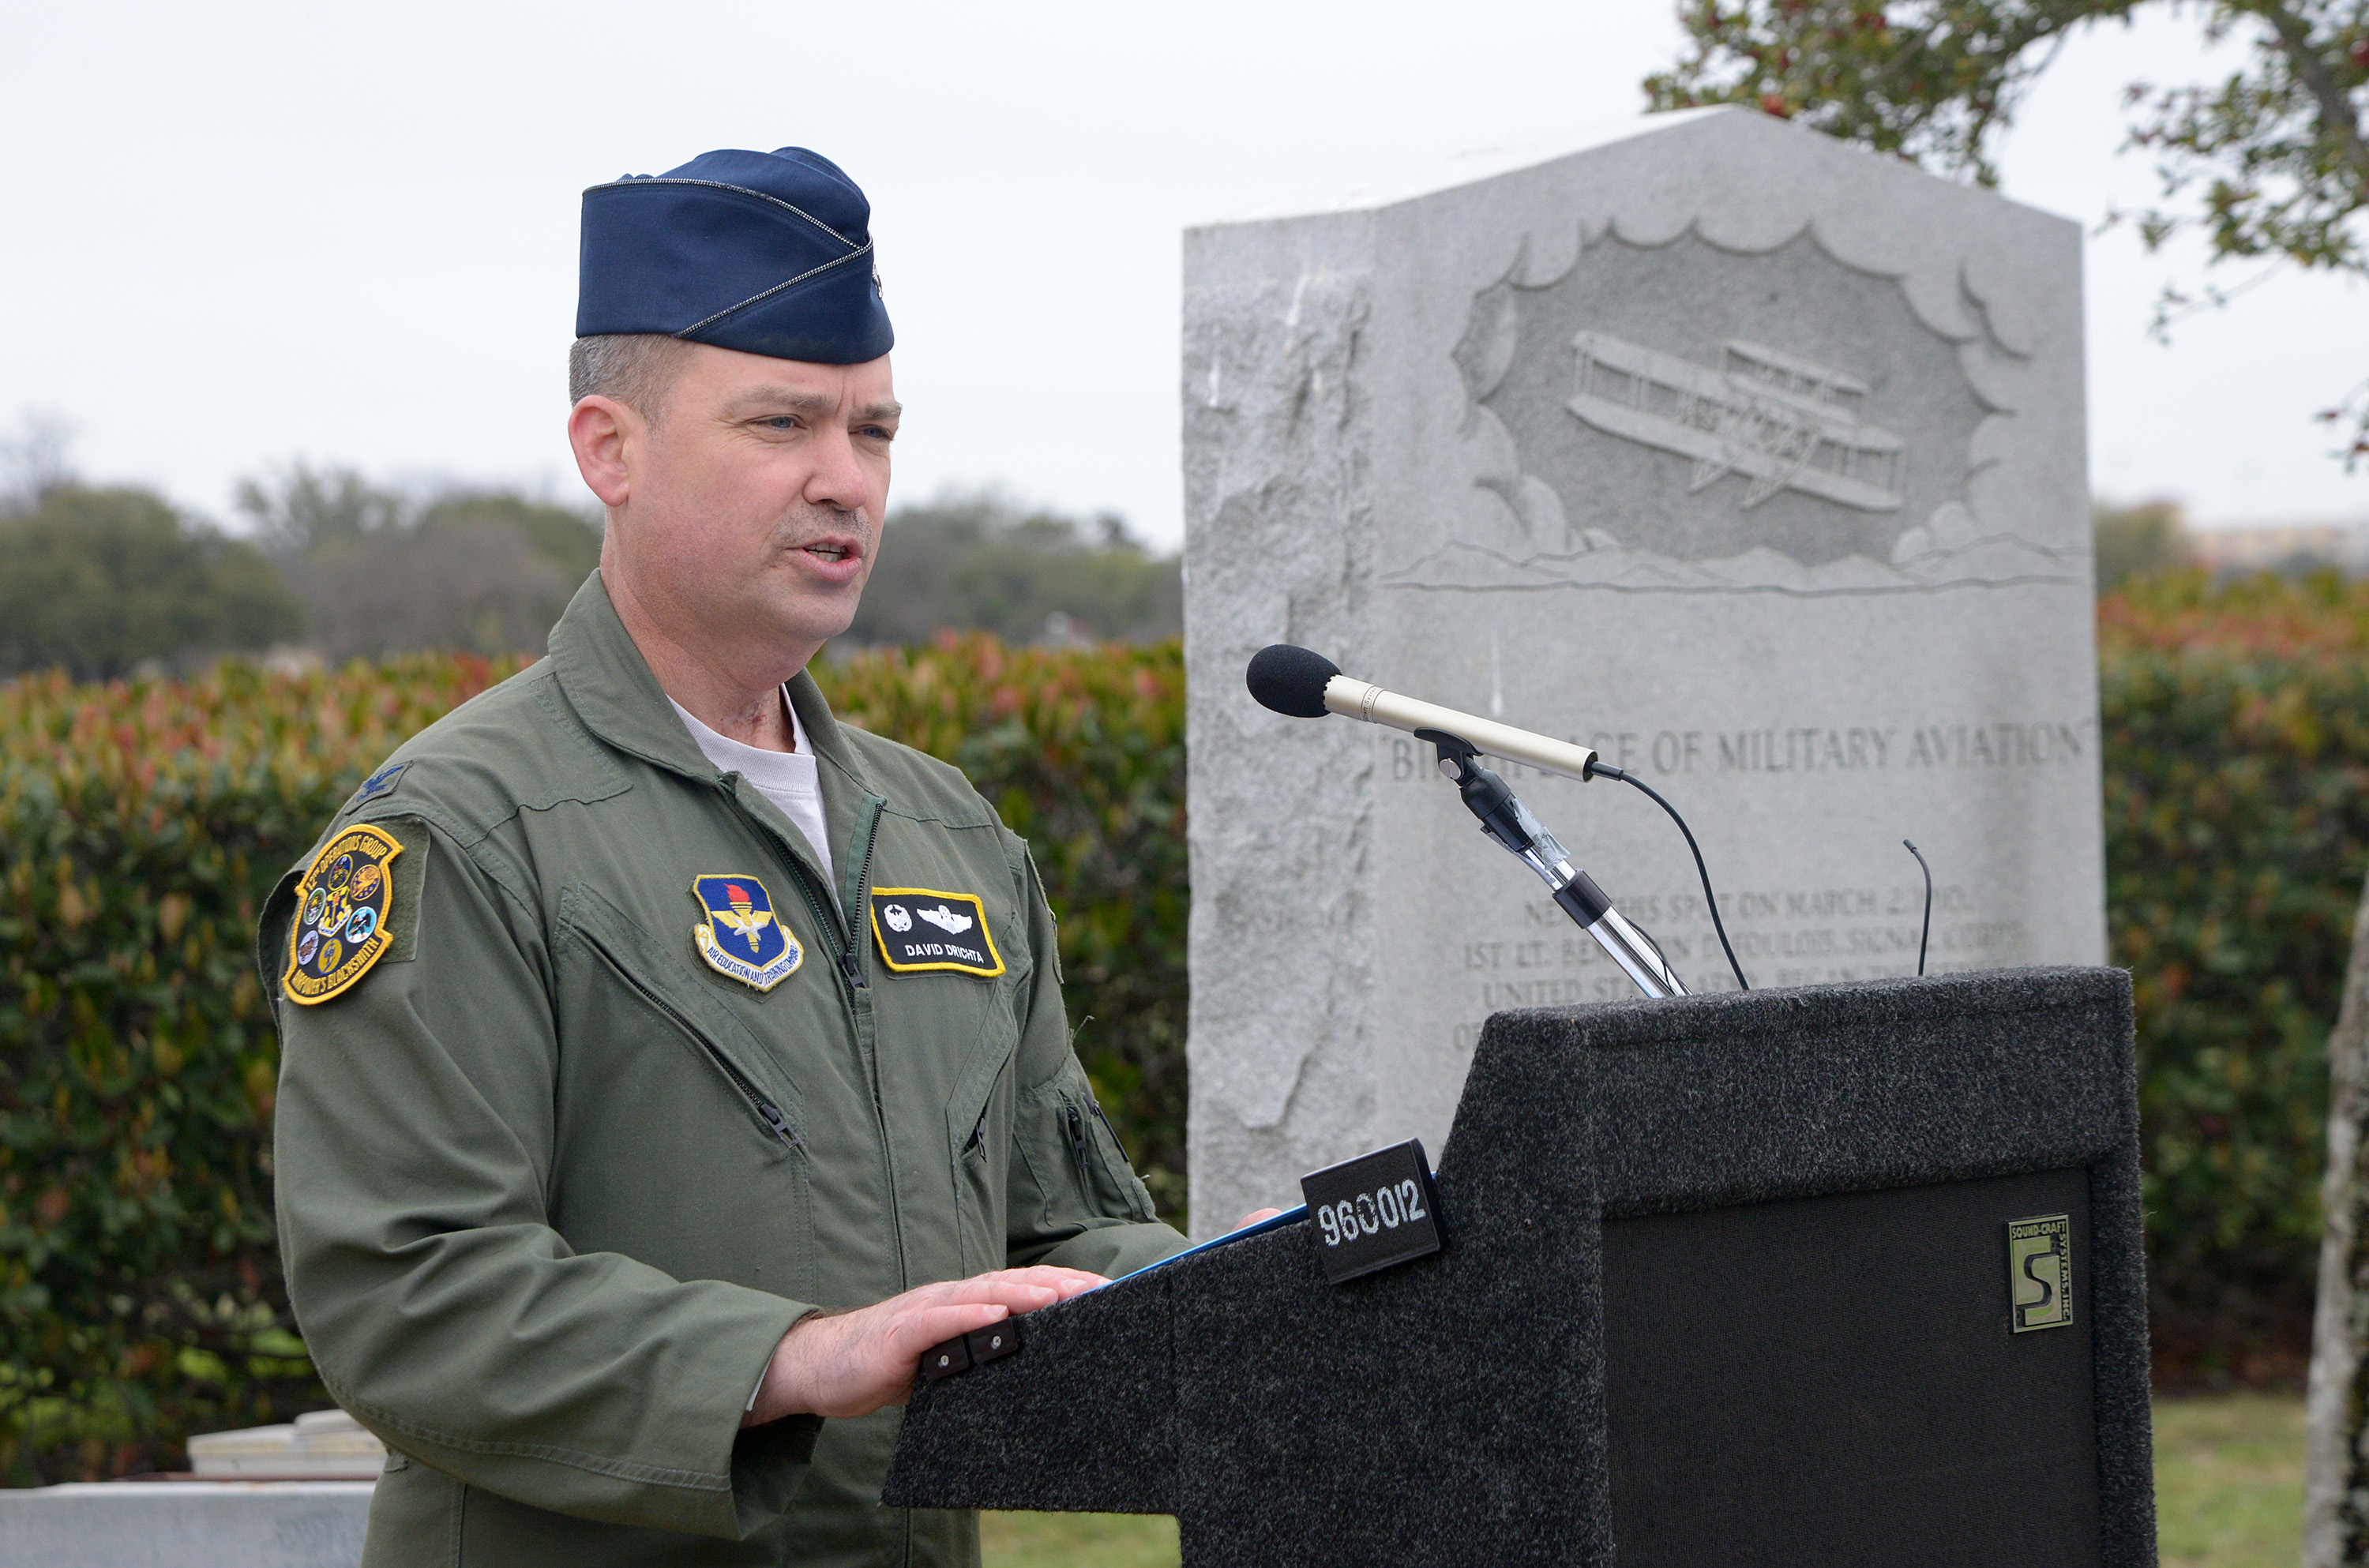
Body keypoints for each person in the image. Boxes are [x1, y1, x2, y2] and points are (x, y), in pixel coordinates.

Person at [259, 146, 1192, 1567]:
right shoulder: (459, 834)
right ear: (606, 449)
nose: (844, 480)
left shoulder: (949, 836)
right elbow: (410, 1292)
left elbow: (1055, 1240)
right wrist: (794, 1360)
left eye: (873, 432)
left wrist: (1257, 1284)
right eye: (781, 423)